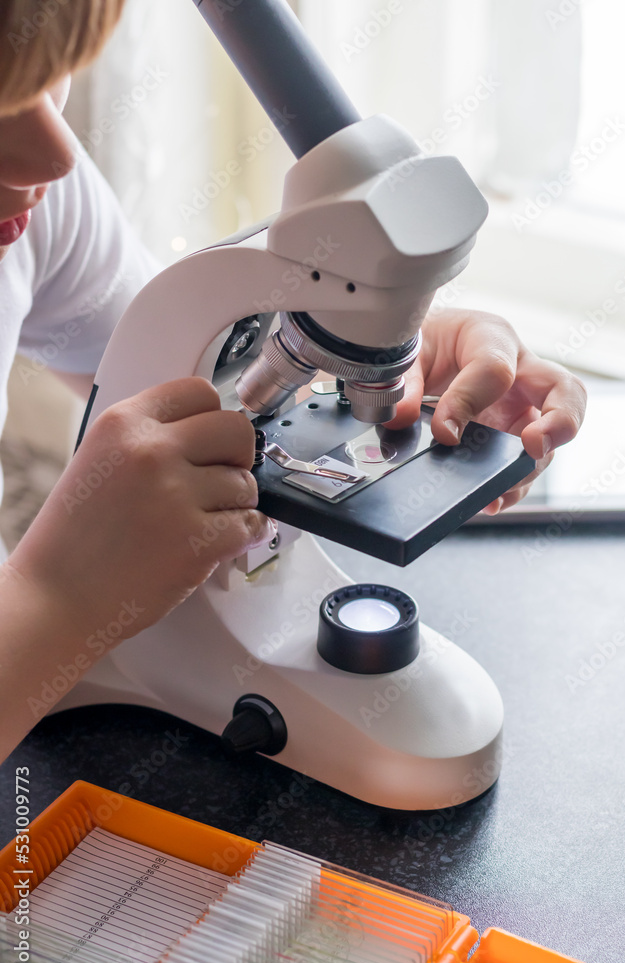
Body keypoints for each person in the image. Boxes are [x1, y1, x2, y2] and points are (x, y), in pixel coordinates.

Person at [0, 0, 586, 763]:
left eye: (50, 80)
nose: (55, 156)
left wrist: (380, 343)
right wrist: (59, 600)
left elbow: (171, 364)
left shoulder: (32, 211)